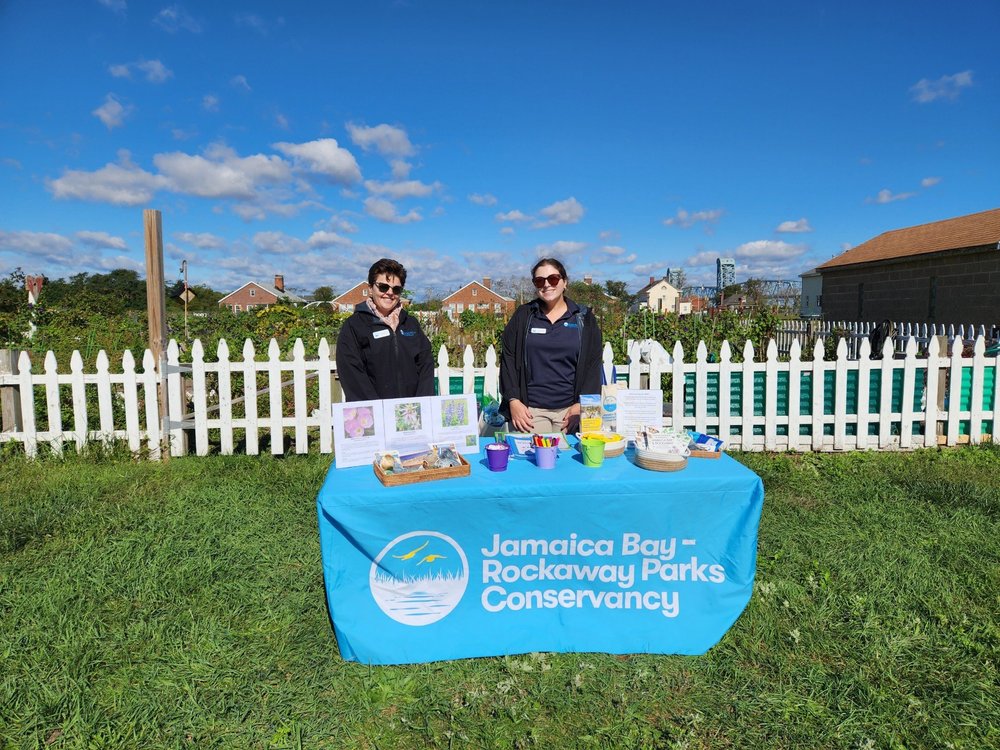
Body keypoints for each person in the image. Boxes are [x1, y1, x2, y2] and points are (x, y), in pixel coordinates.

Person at [499, 258, 603, 434]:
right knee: (534, 461)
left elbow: (593, 364)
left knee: (571, 460)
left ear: (565, 282)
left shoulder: (584, 318)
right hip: (530, 412)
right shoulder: (524, 315)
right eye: (540, 281)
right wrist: (513, 400)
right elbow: (508, 358)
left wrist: (581, 406)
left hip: (571, 412)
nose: (546, 285)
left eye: (553, 279)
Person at [336, 258, 434, 401]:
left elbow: (425, 364)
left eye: (396, 289)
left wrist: (422, 403)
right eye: (383, 287)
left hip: (409, 413)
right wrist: (376, 410)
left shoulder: (411, 324)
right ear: (370, 288)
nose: (389, 292)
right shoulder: (354, 326)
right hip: (374, 413)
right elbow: (351, 373)